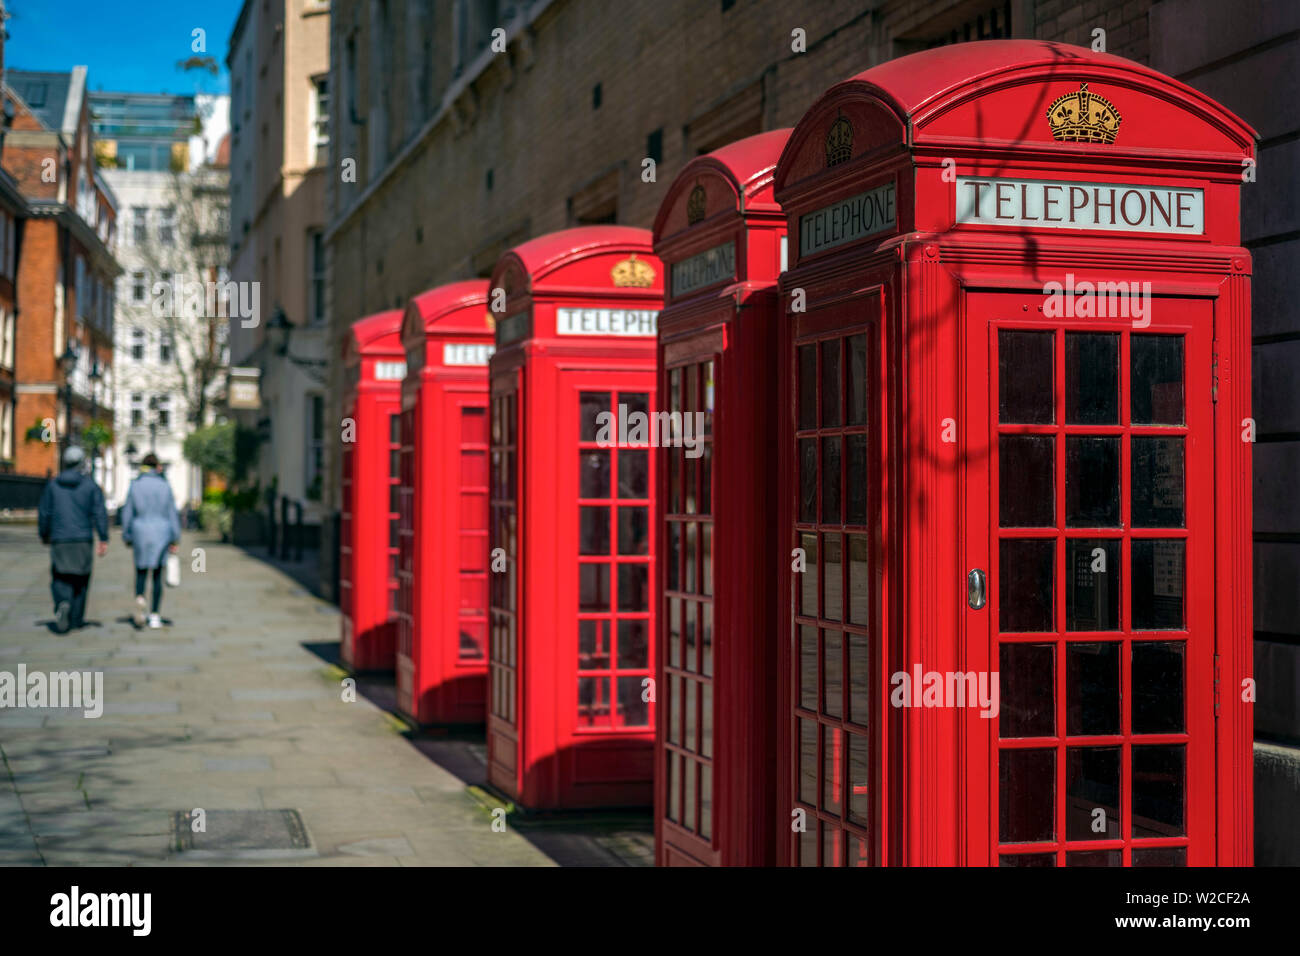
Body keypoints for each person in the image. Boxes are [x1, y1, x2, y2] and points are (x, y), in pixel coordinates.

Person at [37, 445, 109, 633]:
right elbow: (99, 512)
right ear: (81, 462)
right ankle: (76, 619)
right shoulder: (90, 486)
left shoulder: (53, 485)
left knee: (60, 576)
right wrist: (103, 537)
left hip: (60, 538)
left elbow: (45, 512)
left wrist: (44, 534)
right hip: (83, 539)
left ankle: (62, 602)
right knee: (81, 578)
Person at [121, 453, 181, 629]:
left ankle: (140, 598)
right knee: (157, 575)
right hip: (161, 532)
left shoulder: (135, 485)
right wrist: (175, 537)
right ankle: (155, 615)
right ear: (157, 467)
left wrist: (127, 534)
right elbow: (172, 513)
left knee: (140, 571)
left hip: (140, 531)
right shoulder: (164, 486)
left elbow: (127, 512)